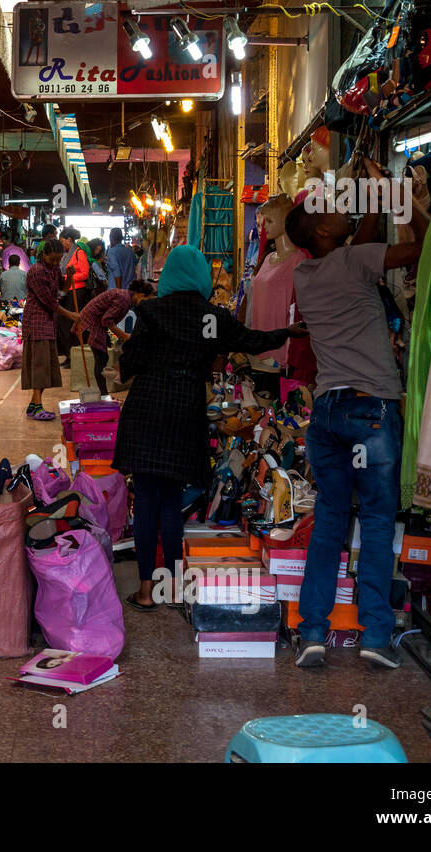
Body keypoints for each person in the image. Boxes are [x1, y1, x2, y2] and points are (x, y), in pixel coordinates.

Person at [286, 155, 431, 671]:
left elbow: (359, 241)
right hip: (370, 411)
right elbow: (427, 244)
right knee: (374, 523)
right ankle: (374, 633)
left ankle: (312, 633)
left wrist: (370, 196)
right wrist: (399, 197)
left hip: (326, 414)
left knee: (329, 523)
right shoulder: (356, 262)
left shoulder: (306, 273)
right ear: (324, 227)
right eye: (333, 208)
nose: (342, 210)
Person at [112, 246, 304, 612]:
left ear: (169, 274)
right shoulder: (211, 317)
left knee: (147, 497)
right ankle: (169, 586)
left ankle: (144, 590)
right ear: (199, 275)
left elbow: (130, 360)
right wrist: (289, 331)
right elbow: (253, 340)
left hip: (148, 404)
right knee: (170, 500)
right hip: (185, 408)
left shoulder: (148, 311)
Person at [21, 239, 81, 420]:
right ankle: (38, 406)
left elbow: (61, 292)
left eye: (58, 260)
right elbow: (49, 302)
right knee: (40, 365)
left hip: (48, 322)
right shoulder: (37, 272)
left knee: (46, 364)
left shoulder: (53, 270)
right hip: (36, 322)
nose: (55, 263)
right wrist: (71, 315)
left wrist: (69, 277)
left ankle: (33, 404)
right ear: (44, 255)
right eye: (52, 259)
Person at [78, 280, 153, 396]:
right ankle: (104, 394)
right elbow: (106, 320)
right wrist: (123, 335)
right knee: (101, 358)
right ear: (141, 295)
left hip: (97, 323)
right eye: (146, 300)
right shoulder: (124, 299)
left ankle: (104, 392)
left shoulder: (126, 298)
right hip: (92, 323)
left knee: (103, 357)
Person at [56, 227, 90, 364]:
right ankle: (69, 354)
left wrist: (68, 277)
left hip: (77, 292)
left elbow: (84, 274)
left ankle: (74, 356)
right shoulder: (67, 254)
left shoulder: (79, 253)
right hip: (67, 292)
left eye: (62, 240)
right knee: (62, 324)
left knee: (71, 324)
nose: (61, 243)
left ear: (69, 240)